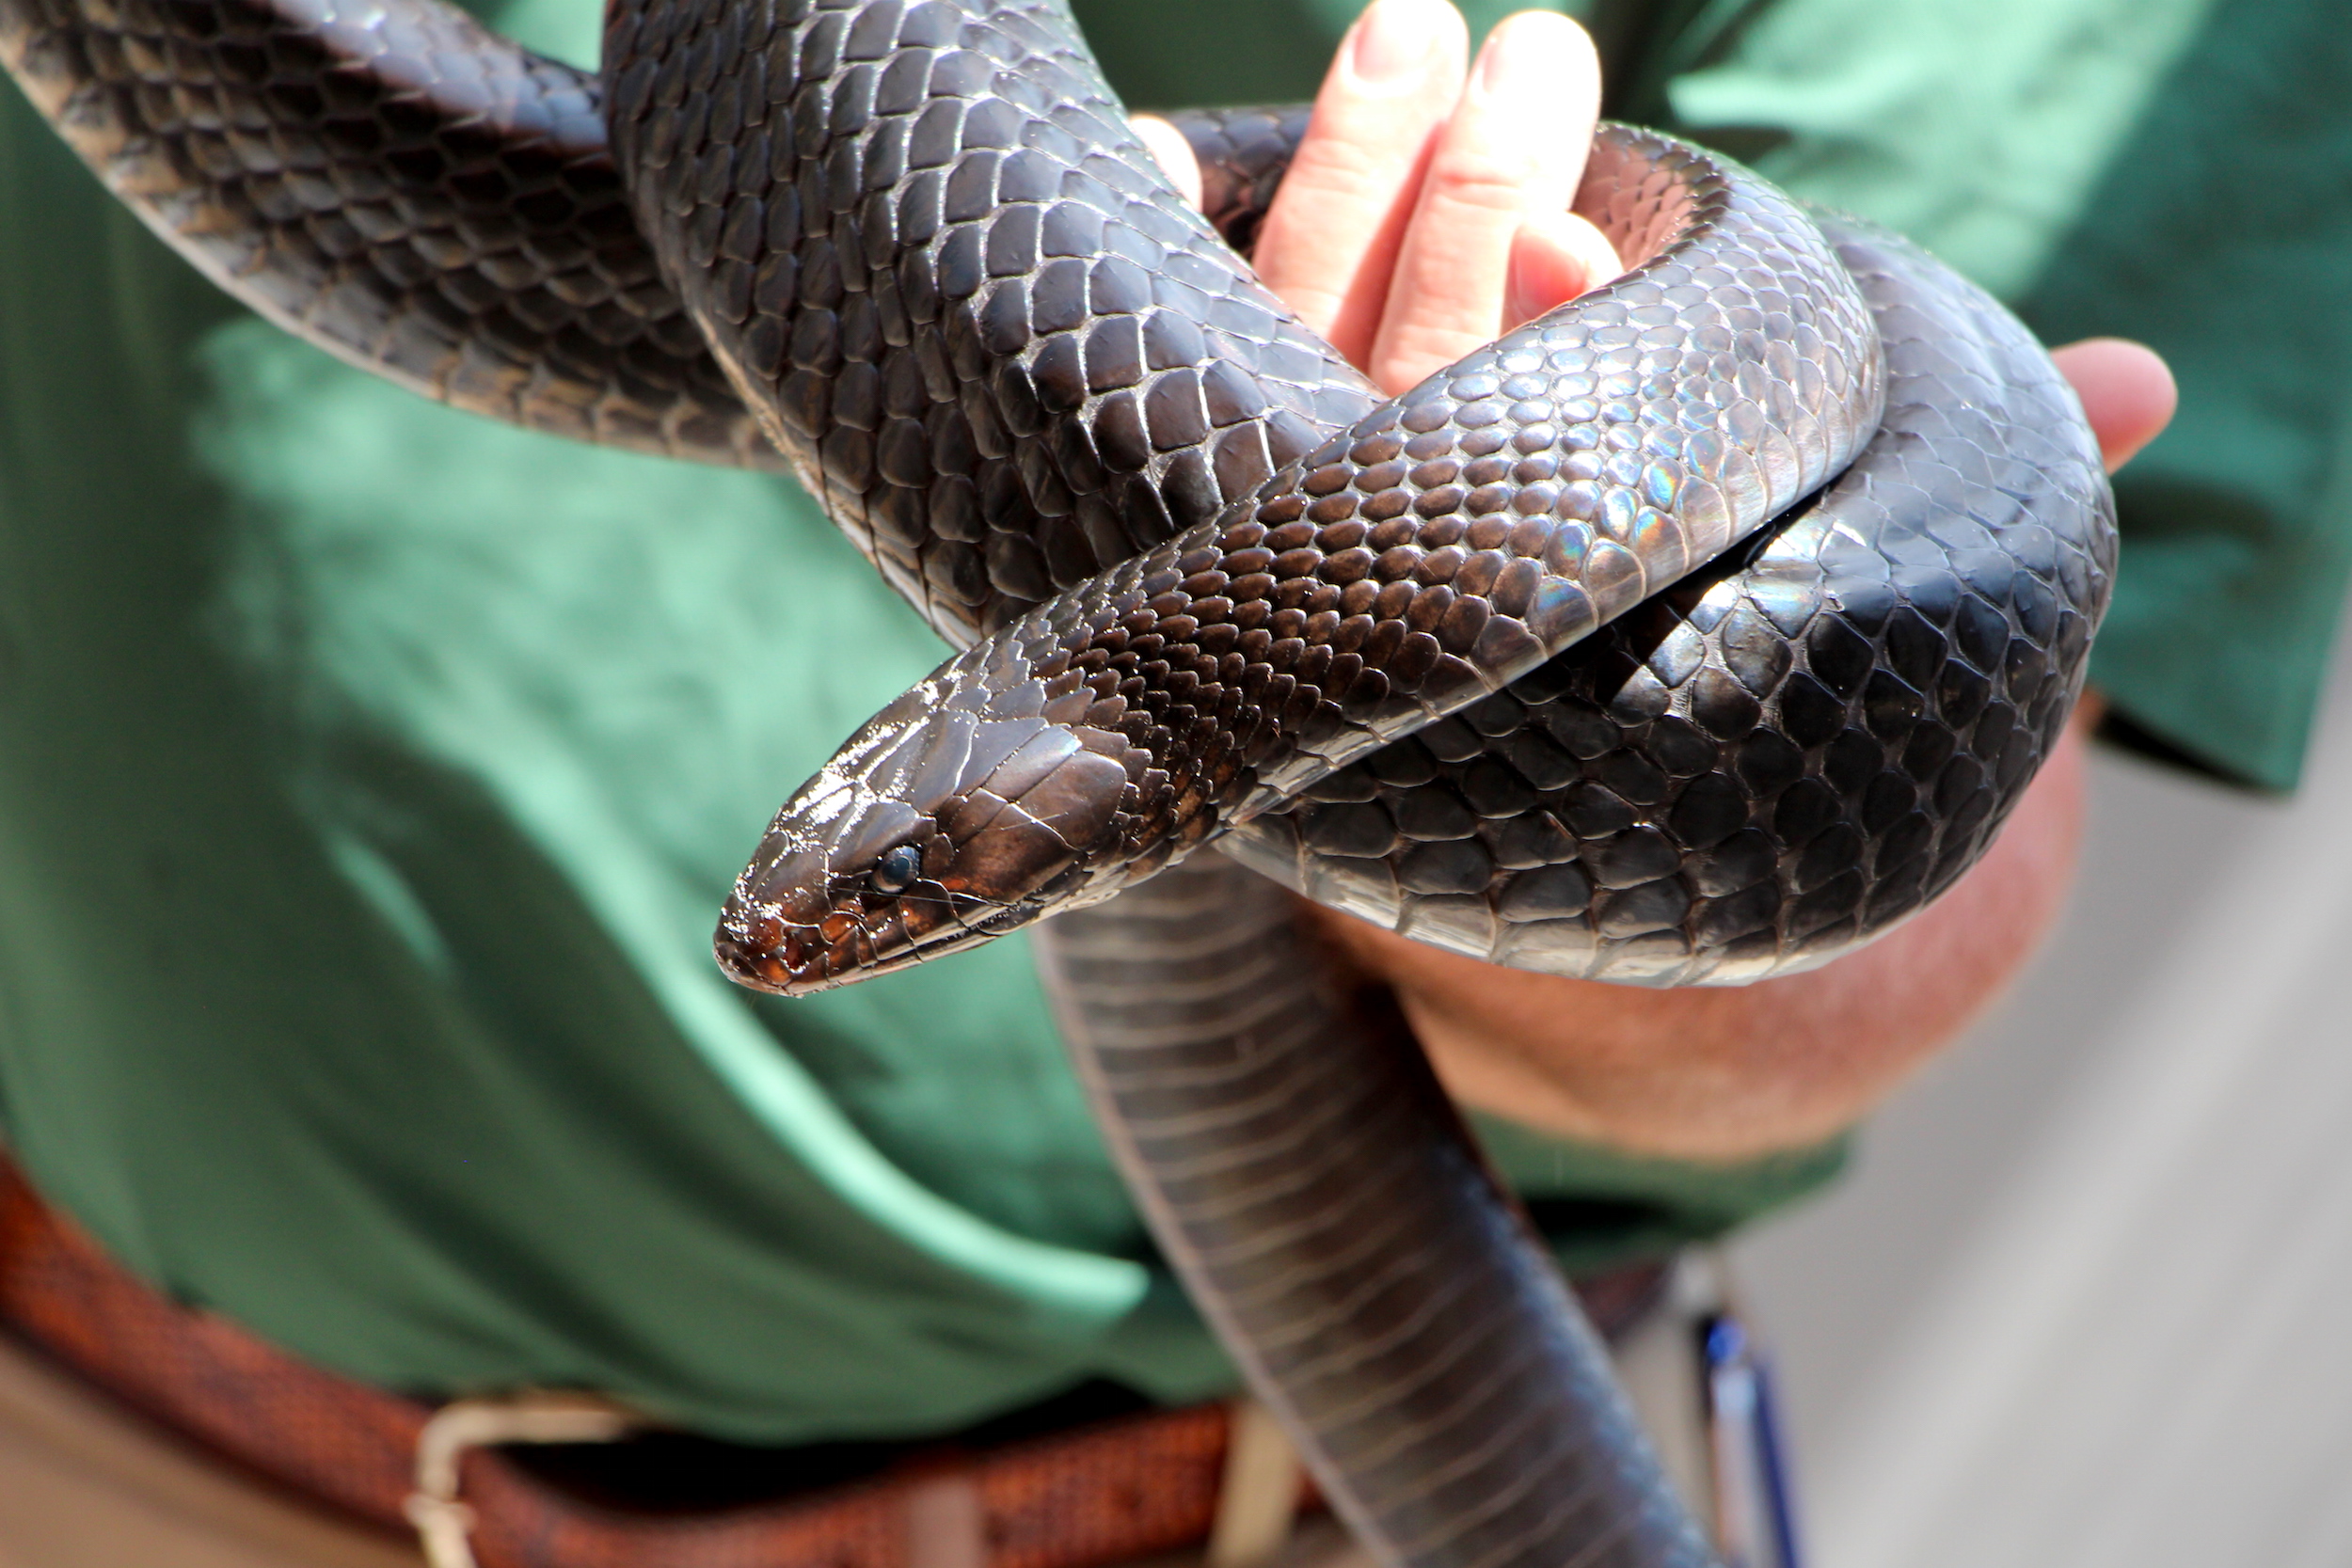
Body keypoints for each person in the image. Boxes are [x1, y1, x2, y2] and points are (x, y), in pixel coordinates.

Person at [0, 0, 2337, 1562]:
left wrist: (1426, 600)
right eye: (892, 883)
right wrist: (1365, 536)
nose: (841, 919)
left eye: (909, 888)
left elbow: (1860, 870)